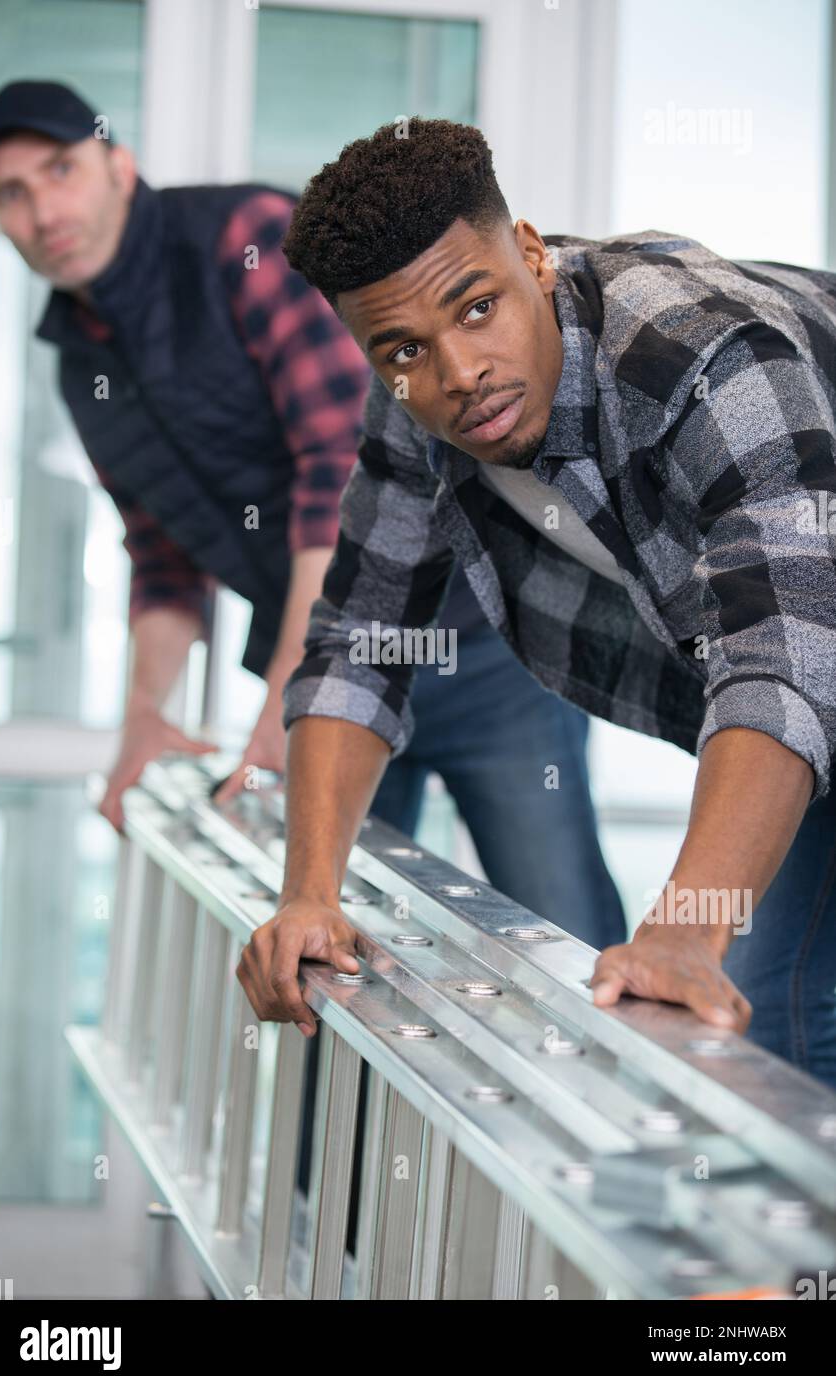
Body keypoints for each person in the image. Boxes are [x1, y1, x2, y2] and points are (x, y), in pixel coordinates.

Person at [236, 118, 836, 1090]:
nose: (457, 373)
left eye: (477, 308)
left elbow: (789, 643)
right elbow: (360, 644)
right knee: (764, 1028)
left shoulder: (704, 353)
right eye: (401, 348)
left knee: (761, 1019)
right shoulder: (416, 395)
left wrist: (682, 929)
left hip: (817, 650)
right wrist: (306, 896)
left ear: (529, 253)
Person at [0, 82, 625, 947]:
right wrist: (142, 720)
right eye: (11, 194)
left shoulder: (247, 244)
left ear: (118, 166)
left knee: (562, 928)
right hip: (328, 677)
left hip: (479, 651)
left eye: (61, 169)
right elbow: (161, 552)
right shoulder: (76, 360)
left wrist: (285, 695)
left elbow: (339, 471)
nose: (44, 207)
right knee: (325, 951)